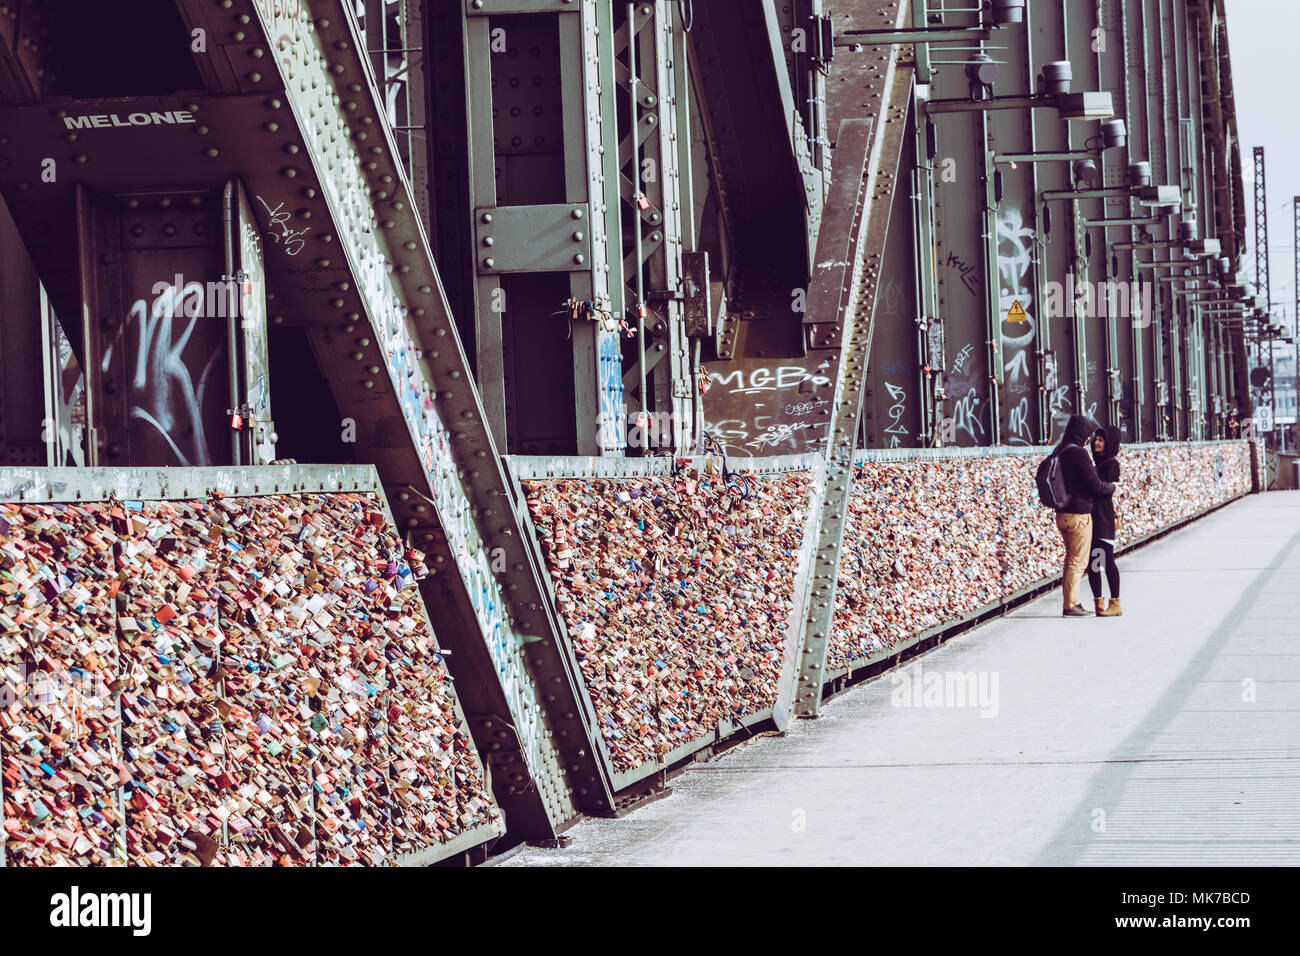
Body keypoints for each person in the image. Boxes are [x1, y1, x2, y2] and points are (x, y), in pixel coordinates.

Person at [1055, 414, 1116, 617]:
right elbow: (1094, 484)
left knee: (1069, 559)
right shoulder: (1078, 453)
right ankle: (1070, 605)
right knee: (1077, 562)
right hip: (1078, 514)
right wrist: (1111, 488)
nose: (1090, 440)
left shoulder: (1060, 450)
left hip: (1061, 513)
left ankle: (1069, 602)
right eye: (1089, 435)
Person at [1087, 426, 1123, 616]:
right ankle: (1098, 603)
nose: (1096, 443)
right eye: (1096, 440)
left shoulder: (1111, 464)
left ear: (1109, 443)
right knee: (1093, 562)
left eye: (1101, 440)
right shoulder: (1096, 464)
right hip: (1093, 518)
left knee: (1107, 560)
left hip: (1103, 518)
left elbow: (1102, 488)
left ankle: (1115, 603)